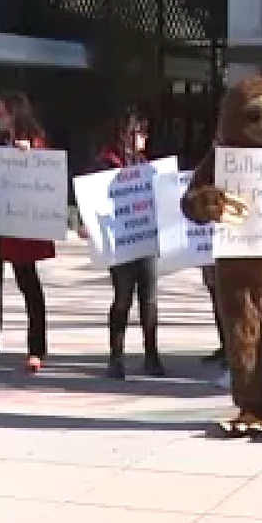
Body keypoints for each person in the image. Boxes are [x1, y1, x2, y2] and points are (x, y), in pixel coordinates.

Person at [0, 92, 54, 375]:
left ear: (15, 113)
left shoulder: (35, 140)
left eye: (2, 114)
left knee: (28, 285)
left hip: (19, 226)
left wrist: (30, 154)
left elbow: (47, 173)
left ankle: (36, 349)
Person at [89, 108, 165, 380]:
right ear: (124, 134)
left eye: (144, 133)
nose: (142, 139)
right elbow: (96, 201)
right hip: (120, 242)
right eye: (137, 133)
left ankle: (151, 355)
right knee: (122, 297)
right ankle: (116, 357)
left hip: (145, 239)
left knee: (149, 297)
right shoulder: (106, 164)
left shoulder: (146, 164)